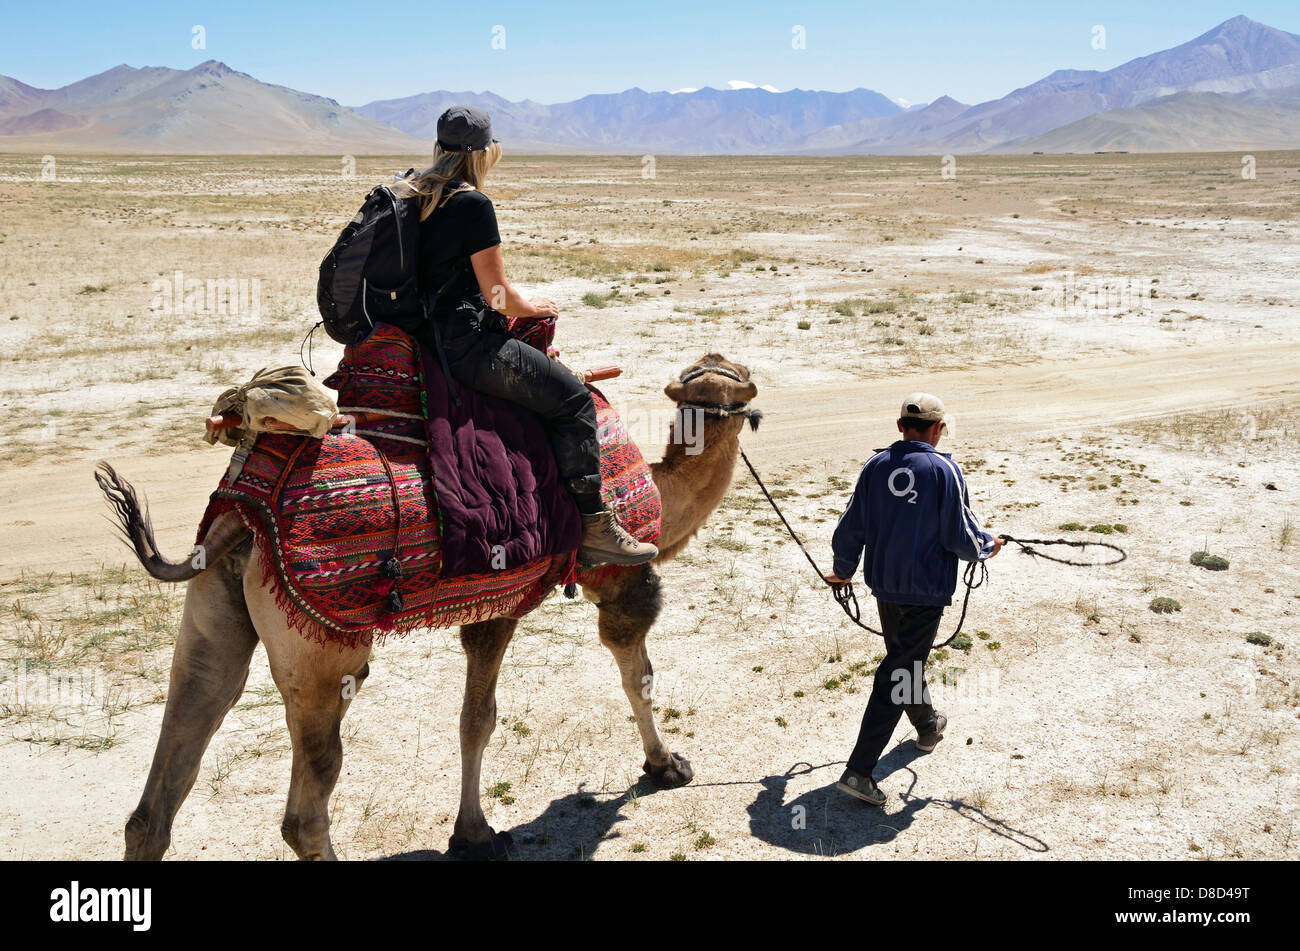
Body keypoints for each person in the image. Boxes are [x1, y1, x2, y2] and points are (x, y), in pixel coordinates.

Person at [392, 105, 657, 567]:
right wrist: (536, 308)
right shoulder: (472, 204)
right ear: (486, 153)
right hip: (467, 346)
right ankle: (595, 527)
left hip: (421, 340)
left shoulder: (413, 193)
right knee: (573, 400)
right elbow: (497, 296)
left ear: (439, 148)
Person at [824, 392, 1003, 806]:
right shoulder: (945, 469)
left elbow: (852, 523)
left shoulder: (875, 465)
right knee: (899, 670)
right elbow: (959, 533)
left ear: (900, 426)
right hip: (925, 591)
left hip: (885, 585)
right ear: (938, 429)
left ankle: (926, 725)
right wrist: (986, 545)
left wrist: (844, 568)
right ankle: (858, 772)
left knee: (905, 660)